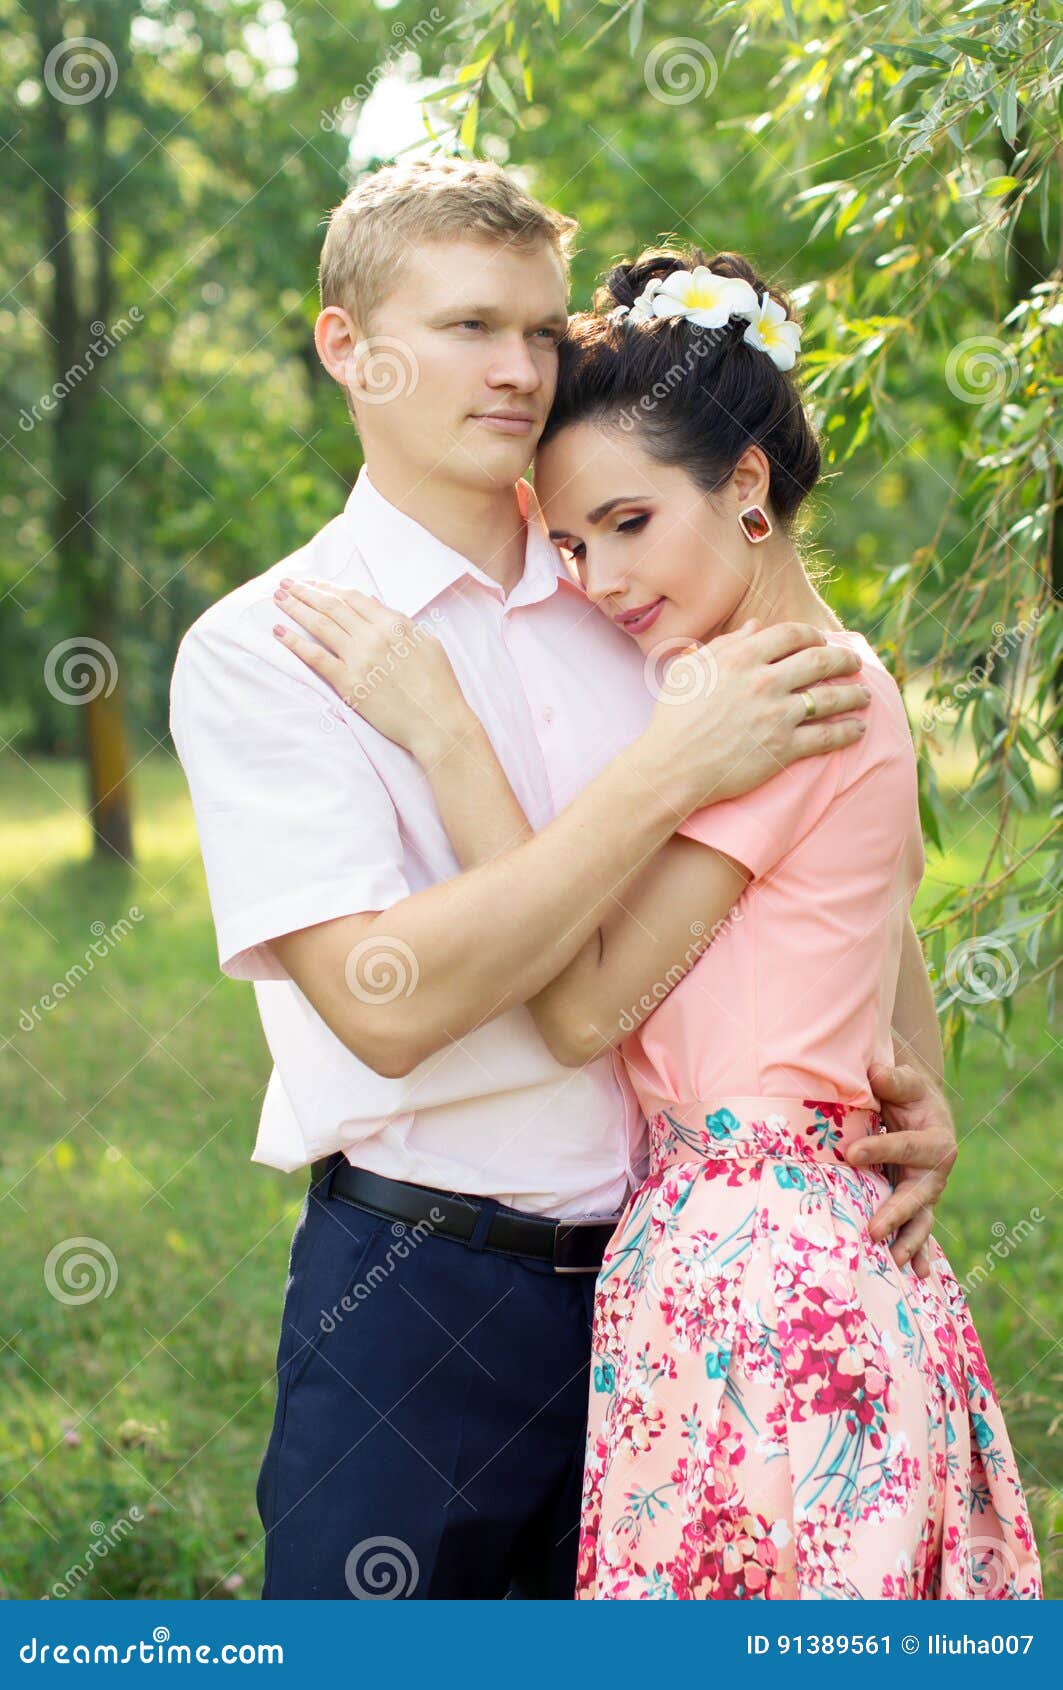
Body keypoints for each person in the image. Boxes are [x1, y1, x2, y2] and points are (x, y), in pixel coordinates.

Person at [169, 159, 960, 1601]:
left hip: (679, 1276)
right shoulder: (269, 647)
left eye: (542, 332)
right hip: (422, 1293)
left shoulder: (643, 576)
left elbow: (833, 816)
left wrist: (903, 1067)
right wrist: (670, 768)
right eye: (472, 327)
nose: (519, 369)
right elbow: (390, 1004)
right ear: (349, 346)